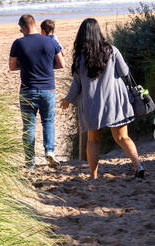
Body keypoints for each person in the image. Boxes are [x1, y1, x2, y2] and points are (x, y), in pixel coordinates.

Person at [60, 17, 145, 180]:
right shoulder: (112, 50)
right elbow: (124, 72)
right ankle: (138, 166)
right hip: (115, 102)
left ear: (82, 36)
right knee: (122, 137)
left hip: (92, 104)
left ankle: (93, 175)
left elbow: (76, 84)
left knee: (93, 140)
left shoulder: (80, 58)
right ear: (98, 33)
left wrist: (68, 99)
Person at [8, 13, 63, 167]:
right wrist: (47, 66)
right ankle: (50, 151)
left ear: (24, 27)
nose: (21, 32)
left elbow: (12, 66)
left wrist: (24, 66)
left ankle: (30, 161)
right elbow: (61, 64)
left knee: (29, 125)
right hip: (48, 89)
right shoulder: (50, 41)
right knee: (48, 122)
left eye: (20, 29)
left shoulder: (18, 43)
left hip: (28, 89)